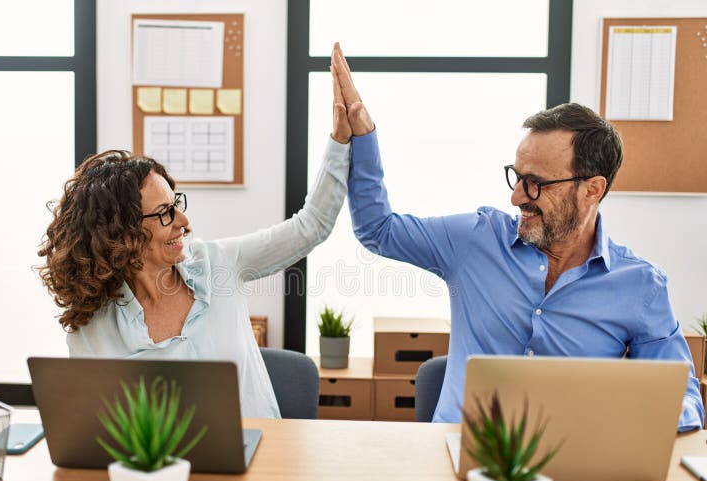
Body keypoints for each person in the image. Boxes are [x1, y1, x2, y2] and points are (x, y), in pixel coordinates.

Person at [330, 43, 704, 431]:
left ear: (592, 190)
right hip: (452, 460)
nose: (516, 197)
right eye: (517, 176)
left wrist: (634, 417)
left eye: (535, 184)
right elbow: (379, 230)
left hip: (562, 470)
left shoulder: (640, 286)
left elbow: (685, 400)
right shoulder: (476, 240)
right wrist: (362, 132)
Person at [38, 74, 355, 418]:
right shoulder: (92, 329)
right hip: (160, 469)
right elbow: (96, 425)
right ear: (122, 234)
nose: (183, 222)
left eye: (177, 205)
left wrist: (340, 139)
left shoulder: (219, 263)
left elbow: (311, 227)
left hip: (260, 459)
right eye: (164, 213)